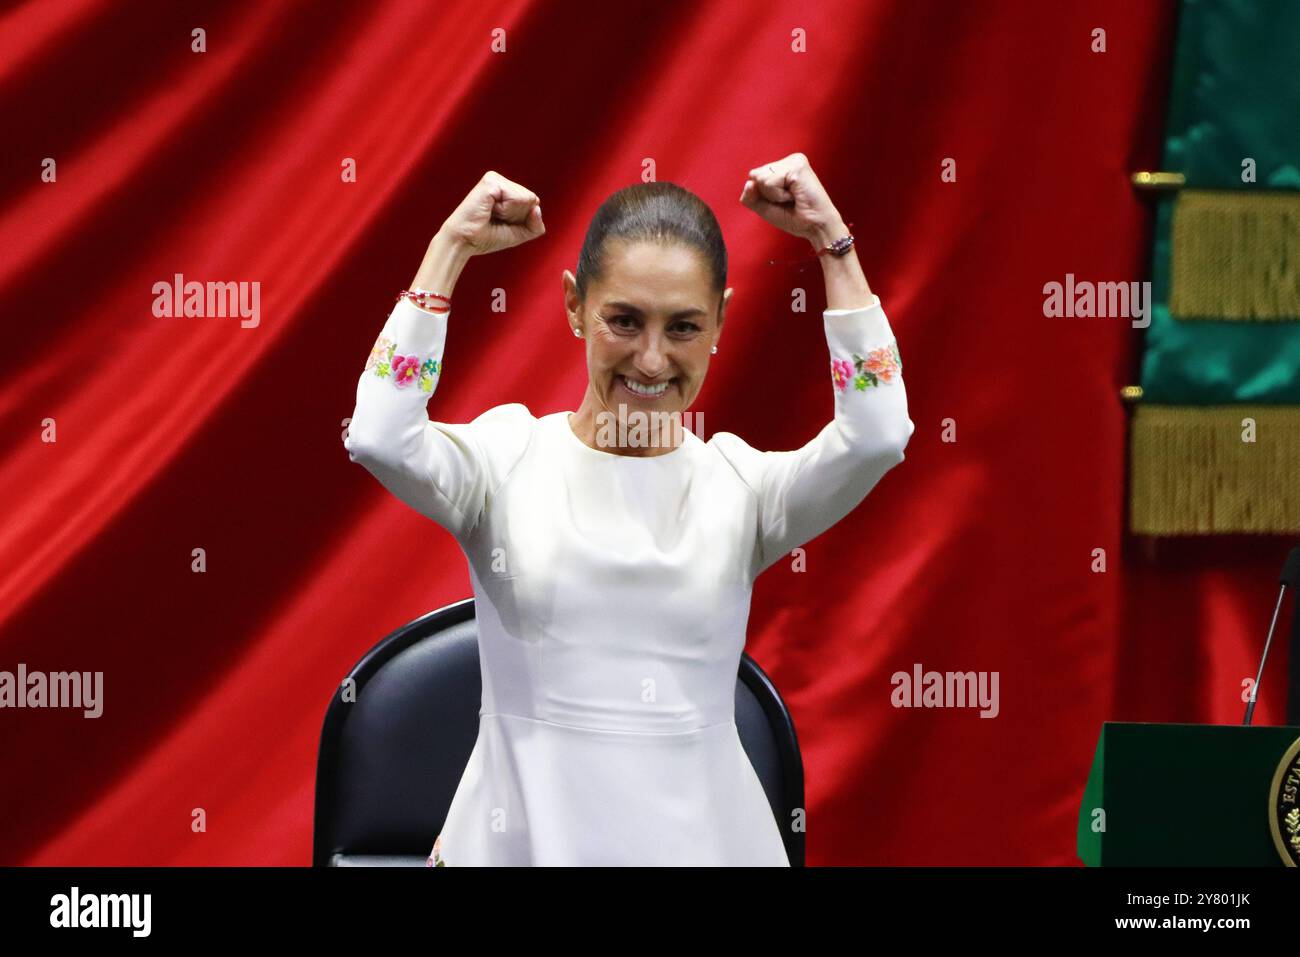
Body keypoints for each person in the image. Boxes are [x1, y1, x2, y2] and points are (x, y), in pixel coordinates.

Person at [344, 155, 914, 865]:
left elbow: (880, 433)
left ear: (721, 323)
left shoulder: (741, 487)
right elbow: (379, 434)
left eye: (682, 327)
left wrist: (834, 241)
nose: (650, 361)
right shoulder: (505, 460)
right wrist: (449, 247)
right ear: (574, 306)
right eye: (623, 320)